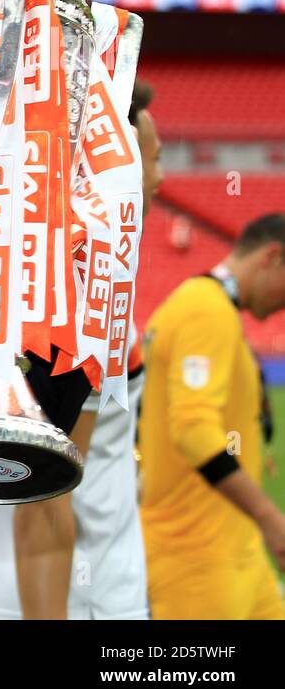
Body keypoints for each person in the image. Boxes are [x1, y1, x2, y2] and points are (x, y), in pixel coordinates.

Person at [0, 79, 161, 620]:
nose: (160, 177)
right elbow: (45, 504)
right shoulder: (78, 306)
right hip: (78, 600)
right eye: (153, 157)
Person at [140, 211, 285, 620]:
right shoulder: (205, 308)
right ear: (273, 257)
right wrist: (271, 518)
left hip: (237, 549)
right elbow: (193, 430)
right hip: (196, 558)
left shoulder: (216, 308)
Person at [68, 78, 163, 620]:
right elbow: (51, 494)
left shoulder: (75, 292)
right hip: (97, 598)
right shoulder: (90, 305)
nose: (161, 179)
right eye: (153, 159)